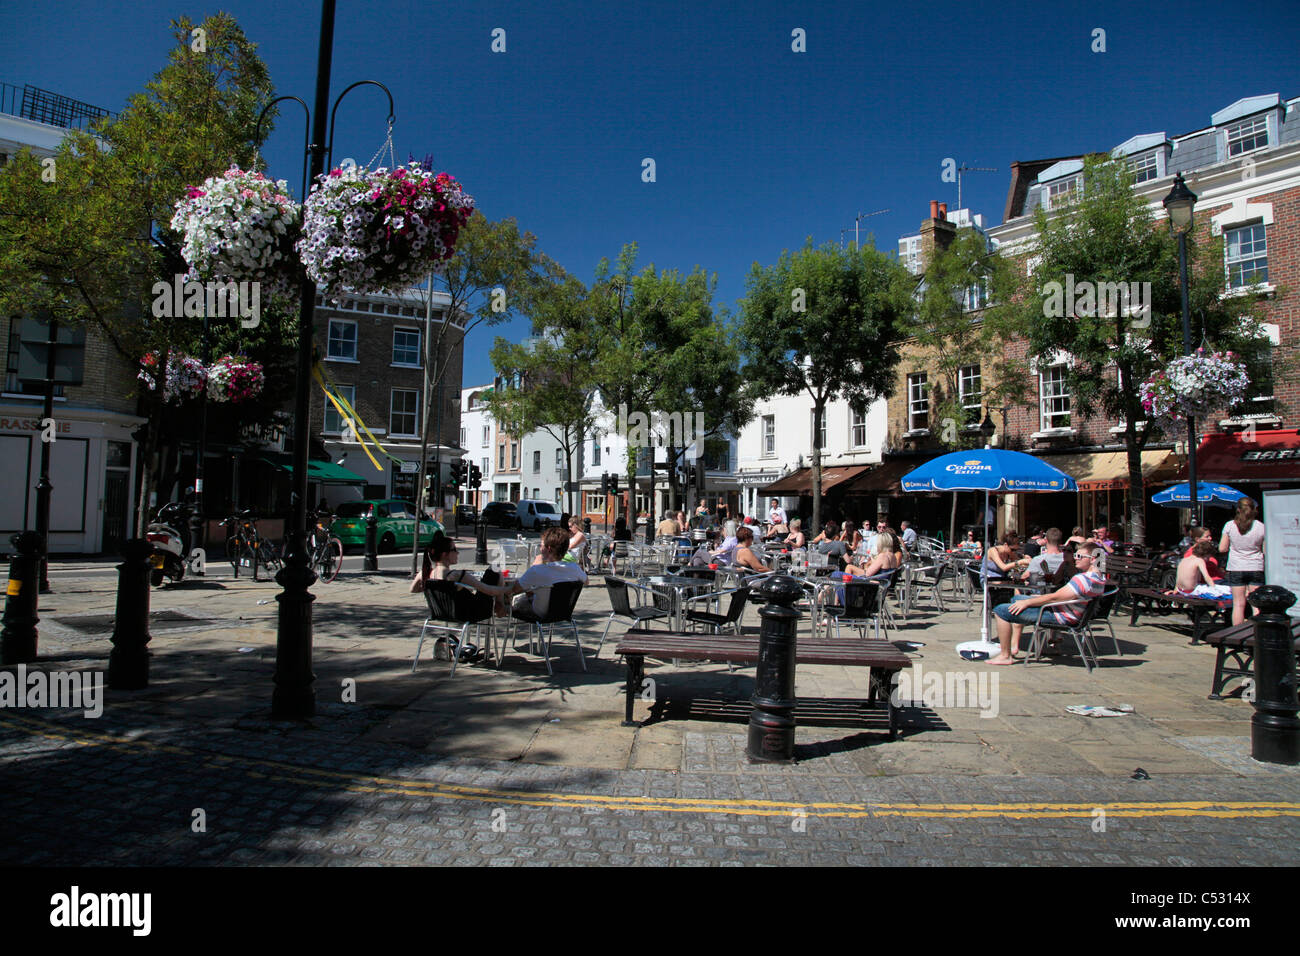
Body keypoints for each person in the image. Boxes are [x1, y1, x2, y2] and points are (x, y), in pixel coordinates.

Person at [990, 542, 1106, 665]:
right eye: (1075, 555)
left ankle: (1005, 655)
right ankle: (1013, 643)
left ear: (1093, 559)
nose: (1075, 559)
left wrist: (1028, 602)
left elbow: (1055, 598)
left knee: (1000, 611)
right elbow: (1059, 597)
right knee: (1017, 599)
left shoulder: (1083, 579)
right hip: (1070, 613)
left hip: (1060, 616)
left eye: (1079, 556)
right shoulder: (1099, 578)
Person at [465, 526, 588, 620]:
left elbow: (515, 589)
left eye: (541, 545)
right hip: (563, 612)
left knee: (513, 600)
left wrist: (536, 564)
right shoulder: (574, 568)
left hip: (540, 613)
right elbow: (586, 581)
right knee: (531, 592)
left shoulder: (539, 570)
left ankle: (499, 609)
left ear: (548, 549)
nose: (540, 549)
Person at [1220, 496, 1265, 626]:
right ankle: (1256, 633)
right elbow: (1265, 549)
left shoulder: (1230, 525)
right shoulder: (1260, 526)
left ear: (1238, 509)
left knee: (1238, 604)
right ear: (1253, 510)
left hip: (1236, 567)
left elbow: (1222, 548)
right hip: (1256, 566)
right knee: (1256, 604)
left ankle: (1237, 634)